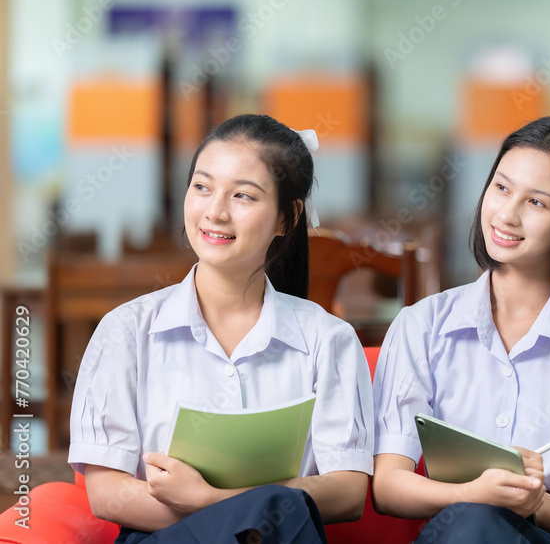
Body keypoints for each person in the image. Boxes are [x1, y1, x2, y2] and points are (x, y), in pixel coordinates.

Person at [69, 114, 373, 543]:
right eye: (202, 186)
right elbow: (107, 495)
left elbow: (347, 492)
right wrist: (246, 511)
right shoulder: (125, 331)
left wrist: (206, 499)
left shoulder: (329, 340)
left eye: (243, 196)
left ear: (287, 218)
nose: (215, 211)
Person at [370, 116, 550, 543]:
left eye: (536, 203)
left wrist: (534, 500)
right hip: (454, 531)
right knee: (475, 523)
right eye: (501, 188)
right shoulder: (422, 327)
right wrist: (472, 493)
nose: (506, 214)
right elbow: (387, 487)